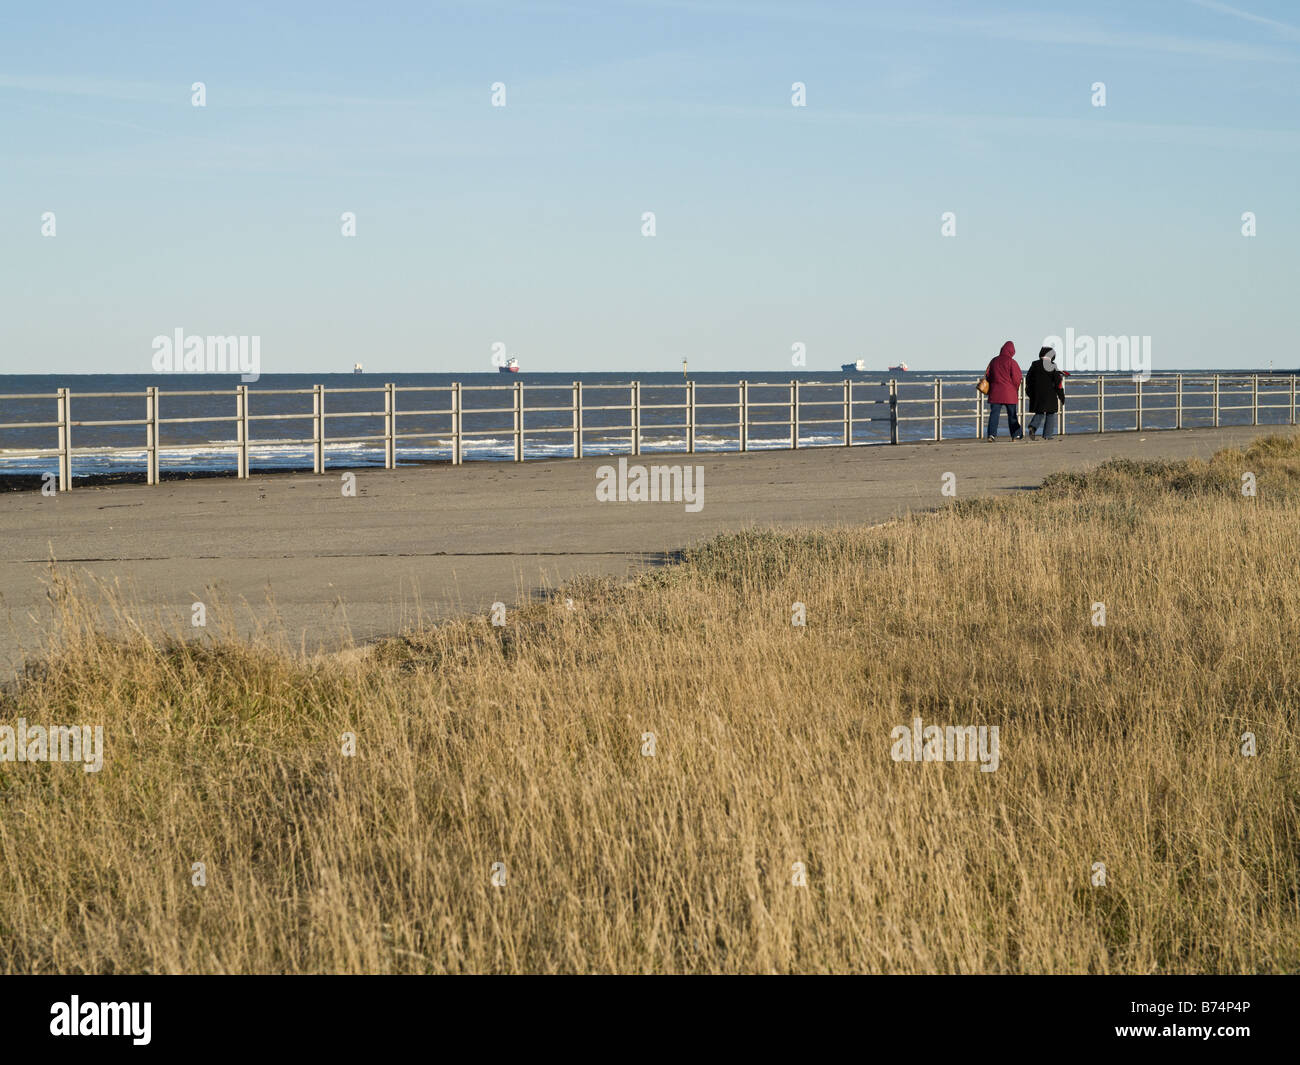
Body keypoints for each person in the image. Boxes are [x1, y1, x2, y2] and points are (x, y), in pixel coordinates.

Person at [984, 341, 1023, 440]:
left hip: (995, 392)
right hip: (1009, 393)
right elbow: (1017, 378)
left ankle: (991, 435)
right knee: (1012, 415)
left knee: (994, 414)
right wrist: (1015, 388)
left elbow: (988, 375)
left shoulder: (994, 360)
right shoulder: (1012, 362)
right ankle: (1016, 434)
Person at [1025, 347, 1065, 439]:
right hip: (1049, 394)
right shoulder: (1052, 365)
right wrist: (1061, 396)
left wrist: (1030, 392)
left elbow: (1028, 379)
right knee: (1050, 413)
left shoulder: (1034, 364)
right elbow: (1058, 382)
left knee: (1039, 412)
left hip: (1037, 394)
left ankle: (1033, 426)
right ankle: (1047, 435)